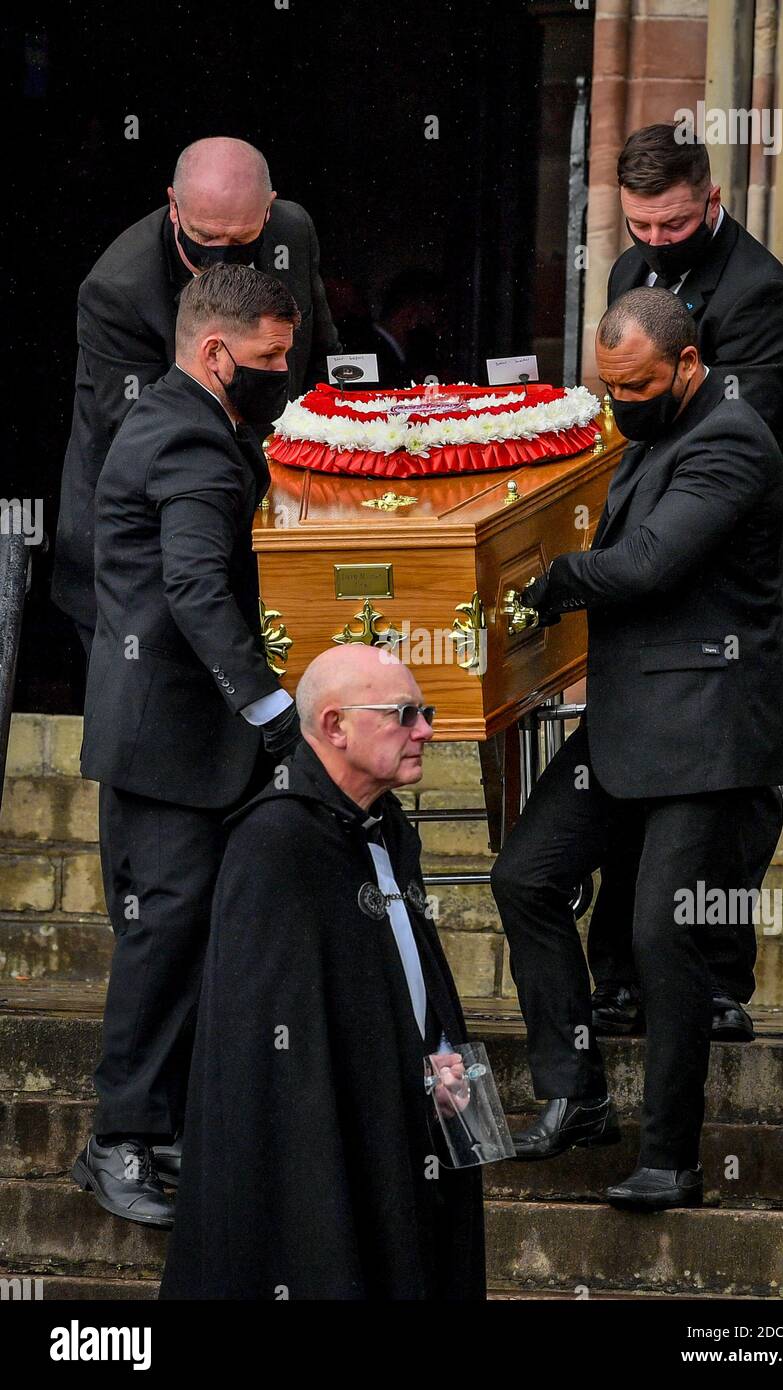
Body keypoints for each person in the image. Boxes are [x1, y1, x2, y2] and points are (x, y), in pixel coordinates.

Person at [490, 288, 783, 1211]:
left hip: (705, 729)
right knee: (525, 877)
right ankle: (577, 1093)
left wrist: (548, 580)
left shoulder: (730, 440)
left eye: (637, 384)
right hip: (627, 720)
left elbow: (653, 561)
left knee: (666, 936)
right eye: (609, 385)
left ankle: (672, 1156)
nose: (620, 400)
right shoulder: (654, 435)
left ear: (689, 367)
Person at [71, 264, 303, 1229]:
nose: (283, 371)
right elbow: (198, 591)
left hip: (156, 736)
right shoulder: (195, 446)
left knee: (180, 931)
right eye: (271, 356)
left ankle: (155, 1128)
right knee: (165, 936)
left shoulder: (176, 421)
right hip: (175, 744)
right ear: (218, 352)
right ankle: (119, 1138)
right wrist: (272, 712)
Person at [590, 123, 783, 1042]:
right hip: (664, 569)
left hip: (755, 580)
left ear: (712, 196)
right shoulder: (629, 274)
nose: (655, 240)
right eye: (640, 225)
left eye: (674, 222)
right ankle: (624, 976)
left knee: (730, 788)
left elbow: (721, 447)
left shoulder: (765, 298)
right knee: (638, 765)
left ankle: (717, 979)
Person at [159, 644, 486, 1300]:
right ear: (335, 727)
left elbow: (403, 973)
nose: (425, 730)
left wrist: (438, 1054)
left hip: (401, 1140)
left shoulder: (385, 827)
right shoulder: (276, 841)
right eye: (403, 714)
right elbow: (275, 1056)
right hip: (318, 1162)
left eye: (425, 711)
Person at [53, 136, 340, 653]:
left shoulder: (292, 232)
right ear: (174, 206)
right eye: (206, 236)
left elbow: (318, 361)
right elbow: (149, 438)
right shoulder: (118, 289)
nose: (220, 257)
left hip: (269, 527)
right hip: (147, 547)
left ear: (269, 211)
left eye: (242, 239)